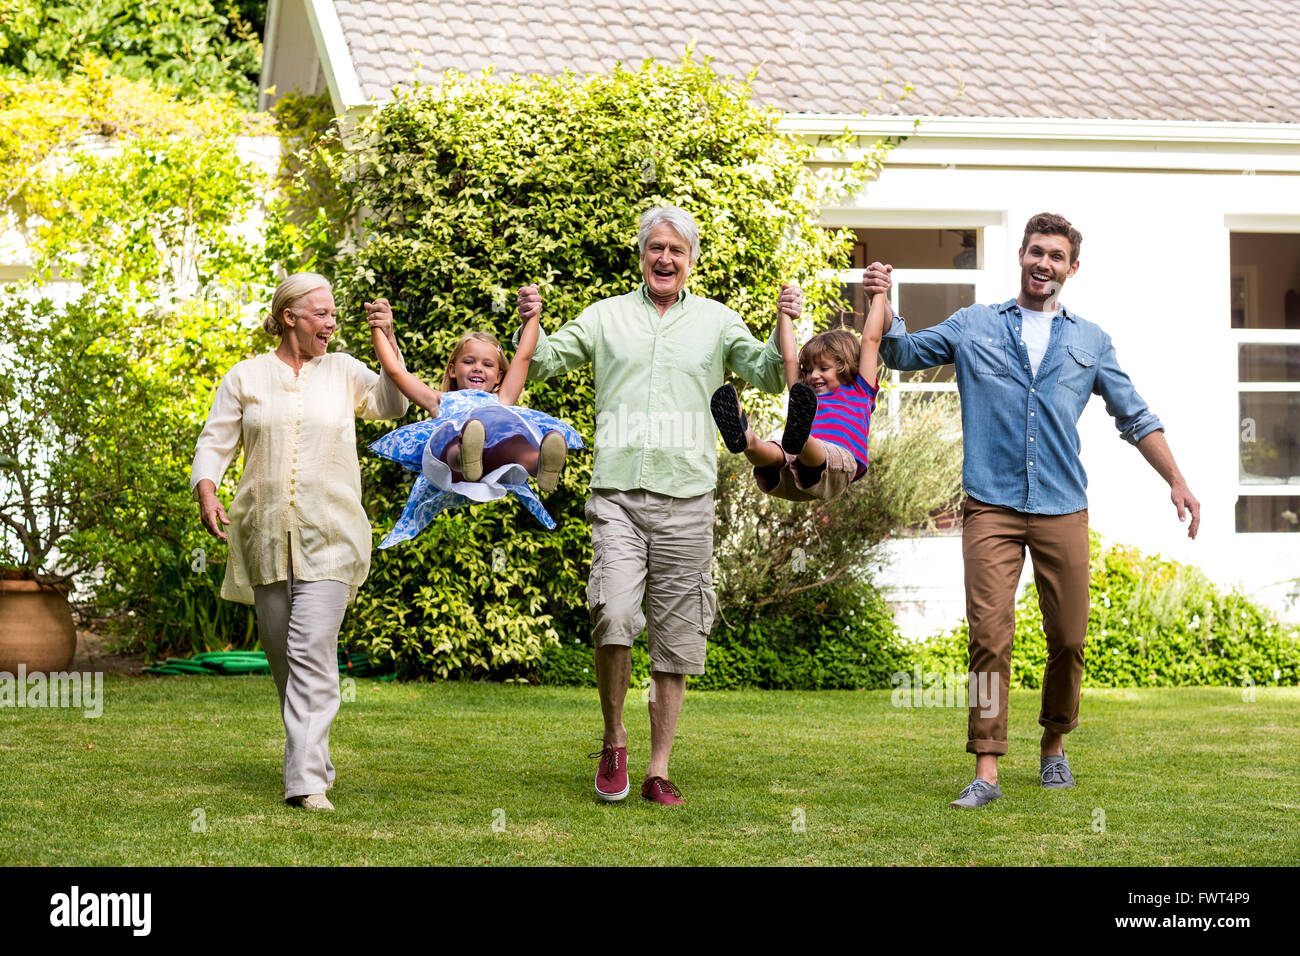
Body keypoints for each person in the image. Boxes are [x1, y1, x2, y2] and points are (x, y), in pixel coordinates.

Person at [869, 212, 1201, 809]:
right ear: (1020, 255)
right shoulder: (973, 325)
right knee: (989, 636)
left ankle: (1053, 746)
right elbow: (903, 352)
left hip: (1062, 506)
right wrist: (884, 301)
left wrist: (1176, 479)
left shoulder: (1090, 341)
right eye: (1035, 252)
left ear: (1073, 268)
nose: (1043, 264)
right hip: (990, 506)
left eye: (1056, 256)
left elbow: (1135, 415)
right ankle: (987, 769)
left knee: (1069, 637)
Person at [518, 204, 798, 804]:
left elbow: (773, 374)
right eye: (655, 249)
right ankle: (615, 738)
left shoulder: (718, 322)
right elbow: (539, 364)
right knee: (614, 617)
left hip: (689, 498)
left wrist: (784, 320)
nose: (664, 258)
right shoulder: (604, 317)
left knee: (676, 638)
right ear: (641, 255)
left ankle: (658, 767)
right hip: (617, 494)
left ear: (690, 260)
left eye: (676, 250)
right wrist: (531, 320)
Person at [191, 273, 409, 811]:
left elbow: (392, 404)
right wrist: (208, 490)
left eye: (334, 314)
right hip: (264, 535)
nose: (331, 323)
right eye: (321, 314)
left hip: (332, 534)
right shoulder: (246, 376)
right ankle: (316, 759)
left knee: (311, 650)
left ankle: (305, 783)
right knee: (283, 659)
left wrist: (388, 344)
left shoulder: (343, 371)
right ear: (290, 317)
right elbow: (215, 442)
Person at [364, 297, 584, 545]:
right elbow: (395, 371)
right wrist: (377, 328)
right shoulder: (441, 401)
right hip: (452, 469)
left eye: (487, 364)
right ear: (452, 369)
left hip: (494, 463)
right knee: (447, 441)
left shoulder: (502, 398)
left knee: (513, 439)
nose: (478, 368)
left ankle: (539, 464)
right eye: (469, 362)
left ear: (500, 375)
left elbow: (523, 356)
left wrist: (532, 316)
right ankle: (466, 454)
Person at [710, 288, 885, 501]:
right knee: (774, 453)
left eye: (823, 368)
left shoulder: (860, 390)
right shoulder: (806, 396)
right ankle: (748, 440)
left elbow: (871, 340)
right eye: (809, 369)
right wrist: (784, 313)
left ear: (845, 365)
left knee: (806, 446)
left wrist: (879, 293)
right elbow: (790, 359)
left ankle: (801, 439)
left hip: (838, 461)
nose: (813, 376)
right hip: (795, 472)